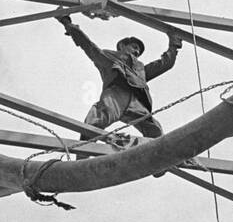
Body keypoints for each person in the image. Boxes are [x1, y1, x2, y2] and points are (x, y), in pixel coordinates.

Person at [57, 13, 182, 143]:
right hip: (116, 94)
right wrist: (67, 23)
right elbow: (88, 45)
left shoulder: (141, 70)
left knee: (155, 131)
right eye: (134, 47)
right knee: (95, 122)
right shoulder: (109, 57)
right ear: (122, 45)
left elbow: (165, 64)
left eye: (139, 51)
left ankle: (164, 159)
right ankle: (82, 155)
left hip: (137, 102)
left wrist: (173, 44)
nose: (137, 52)